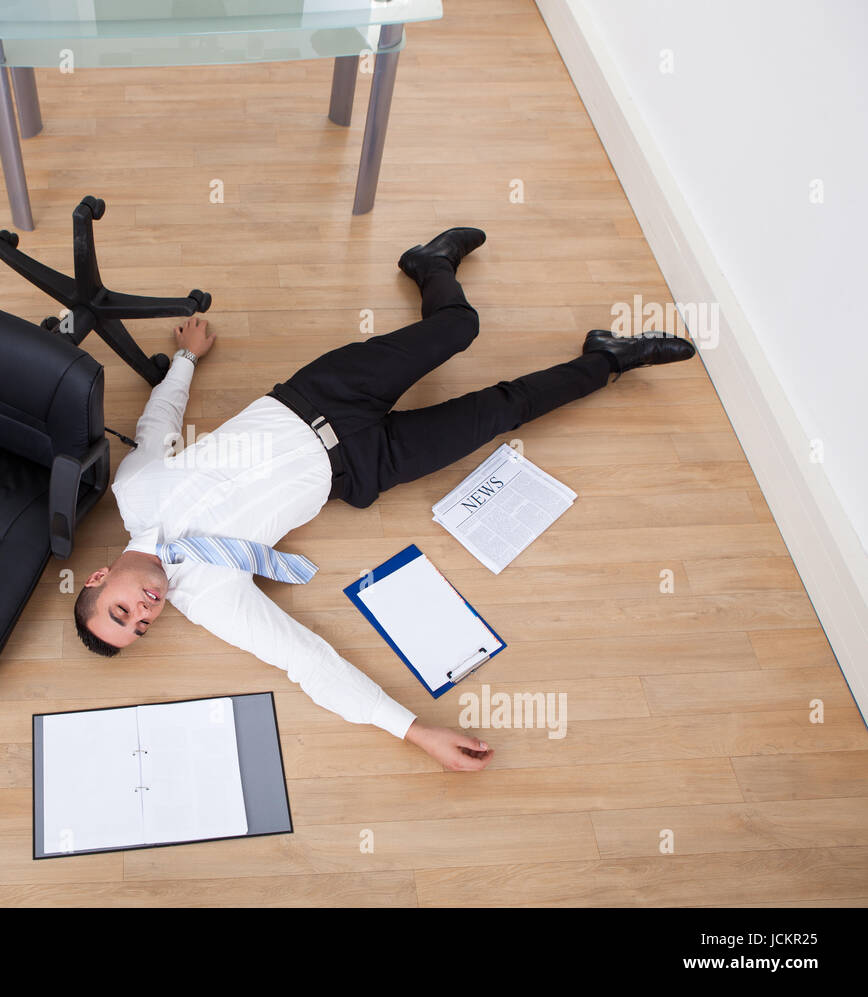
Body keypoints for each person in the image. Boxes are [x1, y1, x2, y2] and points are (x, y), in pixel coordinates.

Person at [73, 227, 695, 772]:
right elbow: (308, 662)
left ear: (102, 577)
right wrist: (416, 732)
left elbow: (157, 428)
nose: (146, 612)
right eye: (142, 629)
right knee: (504, 409)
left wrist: (184, 358)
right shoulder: (210, 600)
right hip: (363, 465)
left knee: (459, 328)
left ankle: (430, 264)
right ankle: (609, 360)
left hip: (319, 395)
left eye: (121, 611)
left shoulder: (135, 491)